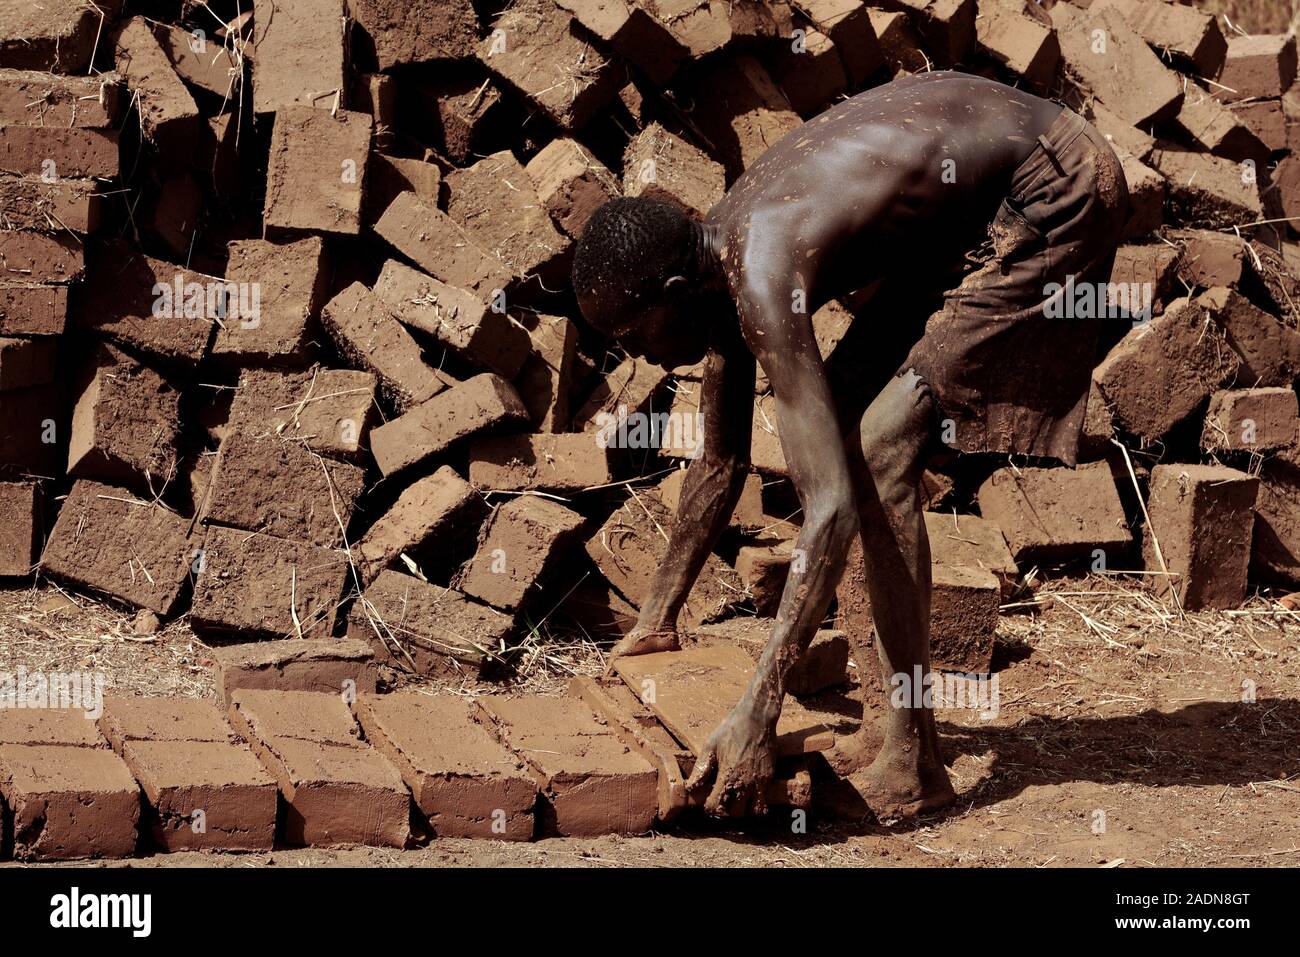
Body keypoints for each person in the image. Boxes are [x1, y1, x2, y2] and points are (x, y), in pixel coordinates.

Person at [570, 71, 1128, 819]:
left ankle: (914, 763)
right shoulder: (718, 262)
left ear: (672, 288)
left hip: (1055, 191)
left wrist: (759, 707)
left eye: (635, 338)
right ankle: (898, 725)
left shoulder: (761, 267)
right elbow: (719, 462)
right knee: (854, 420)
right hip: (965, 211)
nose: (639, 359)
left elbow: (827, 508)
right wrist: (656, 617)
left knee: (876, 451)